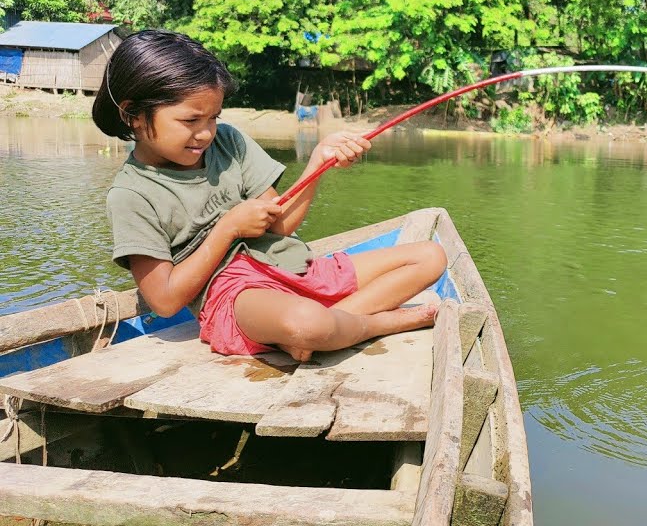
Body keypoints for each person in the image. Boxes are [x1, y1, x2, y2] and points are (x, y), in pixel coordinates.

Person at [92, 30, 445, 363]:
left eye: (213, 117)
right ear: (133, 115)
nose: (205, 133)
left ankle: (332, 328)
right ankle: (378, 323)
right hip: (236, 294)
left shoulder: (228, 142)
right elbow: (165, 301)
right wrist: (228, 228)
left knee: (430, 257)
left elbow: (282, 226)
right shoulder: (130, 194)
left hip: (290, 266)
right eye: (190, 120)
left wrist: (317, 161)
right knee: (309, 324)